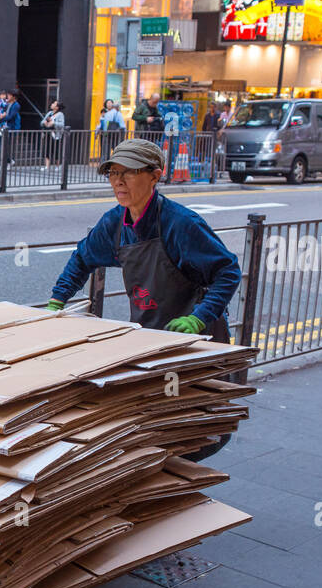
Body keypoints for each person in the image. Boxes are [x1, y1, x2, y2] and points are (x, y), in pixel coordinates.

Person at [45, 138, 242, 459]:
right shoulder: (115, 223)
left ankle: (185, 494)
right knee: (154, 430)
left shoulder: (181, 224)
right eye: (113, 173)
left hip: (195, 340)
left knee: (196, 431)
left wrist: (200, 316)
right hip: (151, 339)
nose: (118, 181)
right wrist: (57, 301)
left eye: (129, 172)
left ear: (155, 175)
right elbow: (82, 256)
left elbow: (228, 270)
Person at [41, 99, 65, 170]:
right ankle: (47, 166)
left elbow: (62, 124)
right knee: (47, 149)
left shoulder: (60, 114)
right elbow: (42, 121)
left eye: (54, 103)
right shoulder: (49, 113)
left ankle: (57, 165)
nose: (52, 104)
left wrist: (54, 123)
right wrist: (44, 123)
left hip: (56, 135)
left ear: (57, 107)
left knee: (56, 149)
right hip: (48, 133)